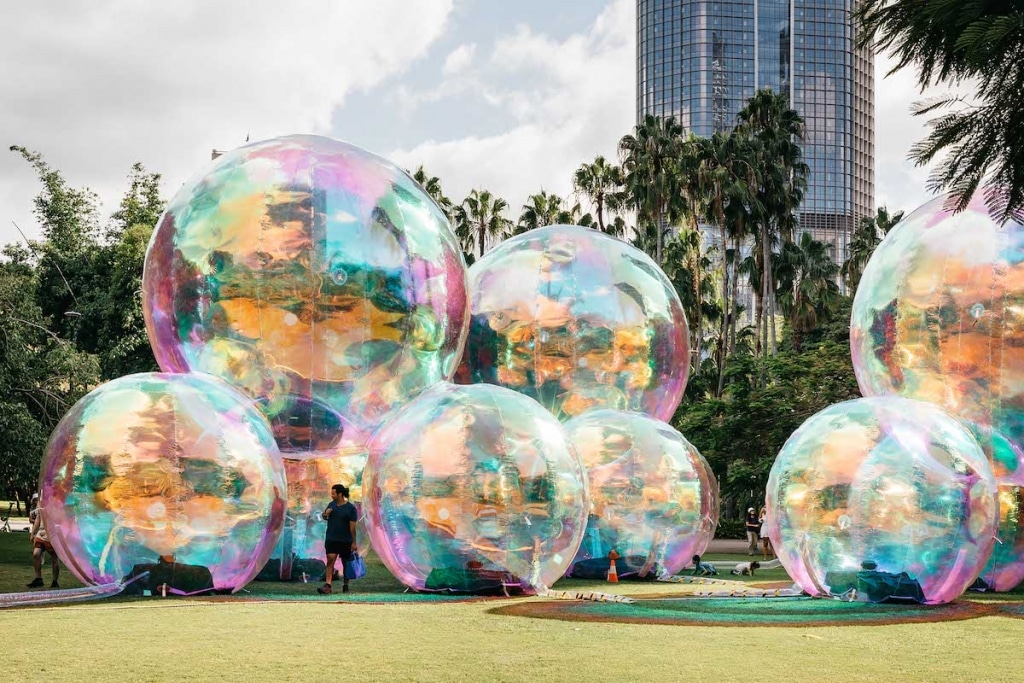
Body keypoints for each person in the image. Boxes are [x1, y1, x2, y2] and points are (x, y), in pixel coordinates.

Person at [317, 484, 358, 595]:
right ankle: (328, 586)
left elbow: (352, 527)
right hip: (332, 538)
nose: (331, 495)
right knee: (330, 561)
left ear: (340, 494)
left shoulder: (351, 508)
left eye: (333, 493)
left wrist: (354, 542)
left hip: (345, 540)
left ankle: (345, 585)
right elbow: (324, 516)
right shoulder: (331, 505)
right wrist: (326, 513)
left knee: (346, 564)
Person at [27, 504, 59, 589]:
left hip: (52, 536)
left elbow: (60, 522)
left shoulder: (57, 505)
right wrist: (33, 532)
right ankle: (38, 579)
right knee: (36, 554)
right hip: (40, 534)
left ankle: (55, 581)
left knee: (54, 558)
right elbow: (38, 518)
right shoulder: (42, 504)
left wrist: (48, 532)